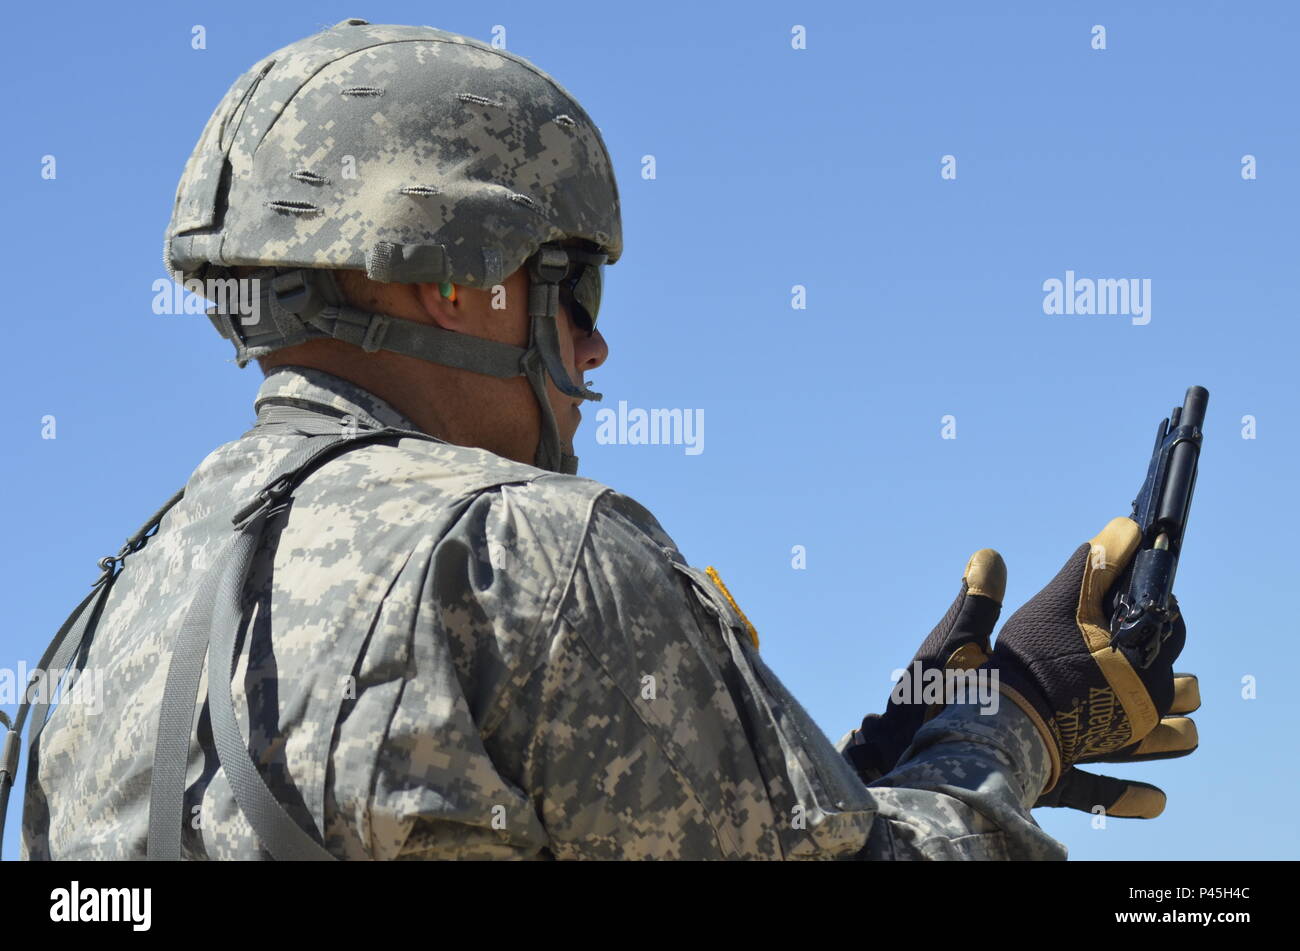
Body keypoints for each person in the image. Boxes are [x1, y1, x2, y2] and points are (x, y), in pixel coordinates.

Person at [13, 19, 1198, 860]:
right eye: (571, 288)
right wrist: (1006, 727)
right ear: (453, 276)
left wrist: (849, 773)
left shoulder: (119, 609)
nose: (591, 351)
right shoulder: (523, 553)